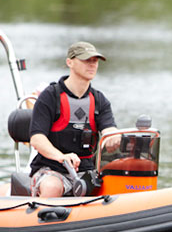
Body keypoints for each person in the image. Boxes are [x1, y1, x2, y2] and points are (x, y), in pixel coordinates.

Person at [29, 41, 119, 197]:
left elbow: (109, 129)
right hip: (52, 170)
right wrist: (61, 157)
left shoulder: (99, 100)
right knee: (52, 187)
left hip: (88, 173)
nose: (92, 65)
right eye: (86, 60)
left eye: (95, 61)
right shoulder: (50, 96)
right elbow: (37, 139)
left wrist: (115, 137)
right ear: (69, 62)